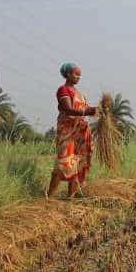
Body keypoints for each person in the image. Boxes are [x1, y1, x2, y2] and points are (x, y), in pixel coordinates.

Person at [46, 62, 97, 198]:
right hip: (67, 131)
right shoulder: (63, 90)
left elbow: (86, 109)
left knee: (79, 163)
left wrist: (98, 109)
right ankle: (49, 197)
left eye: (80, 75)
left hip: (80, 132)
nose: (78, 77)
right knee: (64, 162)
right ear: (68, 74)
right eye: (76, 74)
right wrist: (88, 111)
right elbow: (68, 109)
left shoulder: (80, 94)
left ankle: (71, 198)